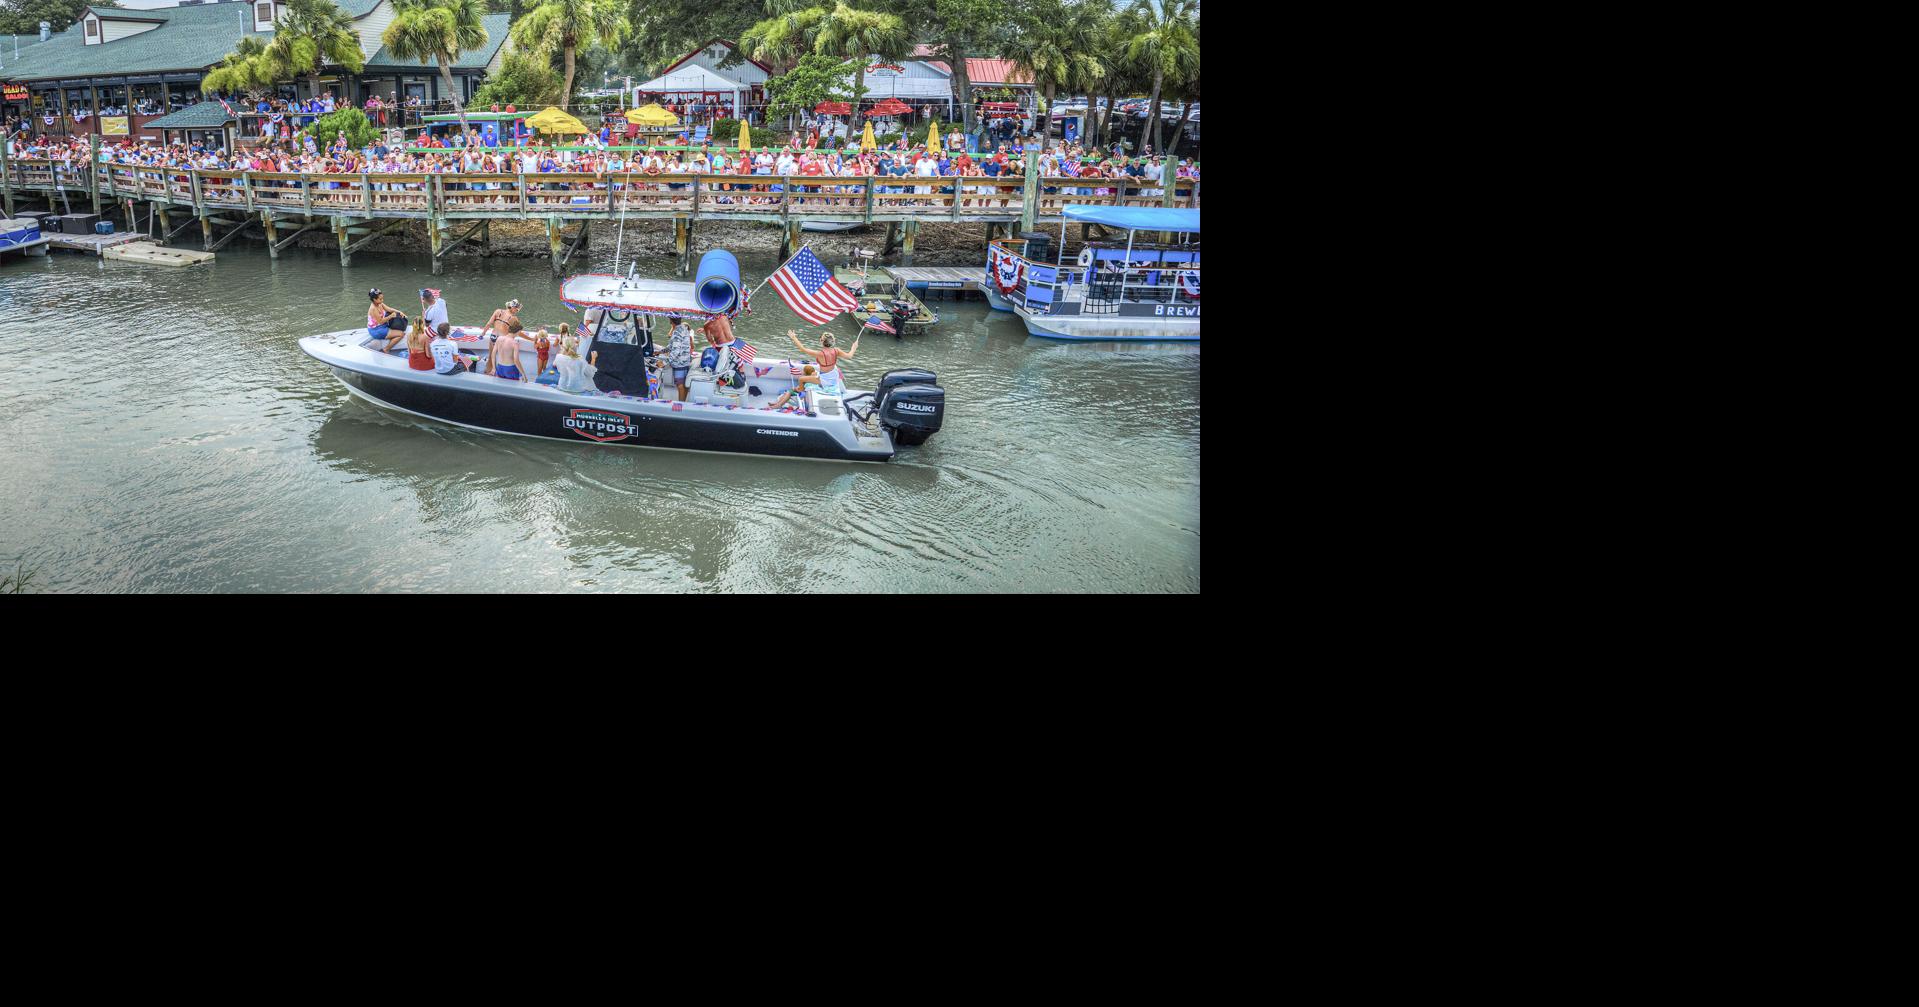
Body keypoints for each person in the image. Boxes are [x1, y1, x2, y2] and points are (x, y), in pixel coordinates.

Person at [787, 328, 858, 394]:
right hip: (834, 377)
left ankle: (800, 390)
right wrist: (854, 347)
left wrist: (794, 337)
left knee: (801, 379)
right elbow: (849, 356)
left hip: (825, 380)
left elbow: (803, 349)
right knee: (813, 373)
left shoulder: (820, 354)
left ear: (821, 341)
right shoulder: (836, 350)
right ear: (832, 341)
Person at [662, 314, 693, 401]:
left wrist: (664, 363)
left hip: (679, 363)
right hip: (686, 360)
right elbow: (672, 345)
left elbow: (675, 351)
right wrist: (661, 351)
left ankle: (681, 405)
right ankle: (683, 402)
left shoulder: (676, 332)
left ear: (670, 321)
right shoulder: (684, 328)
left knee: (680, 385)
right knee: (684, 384)